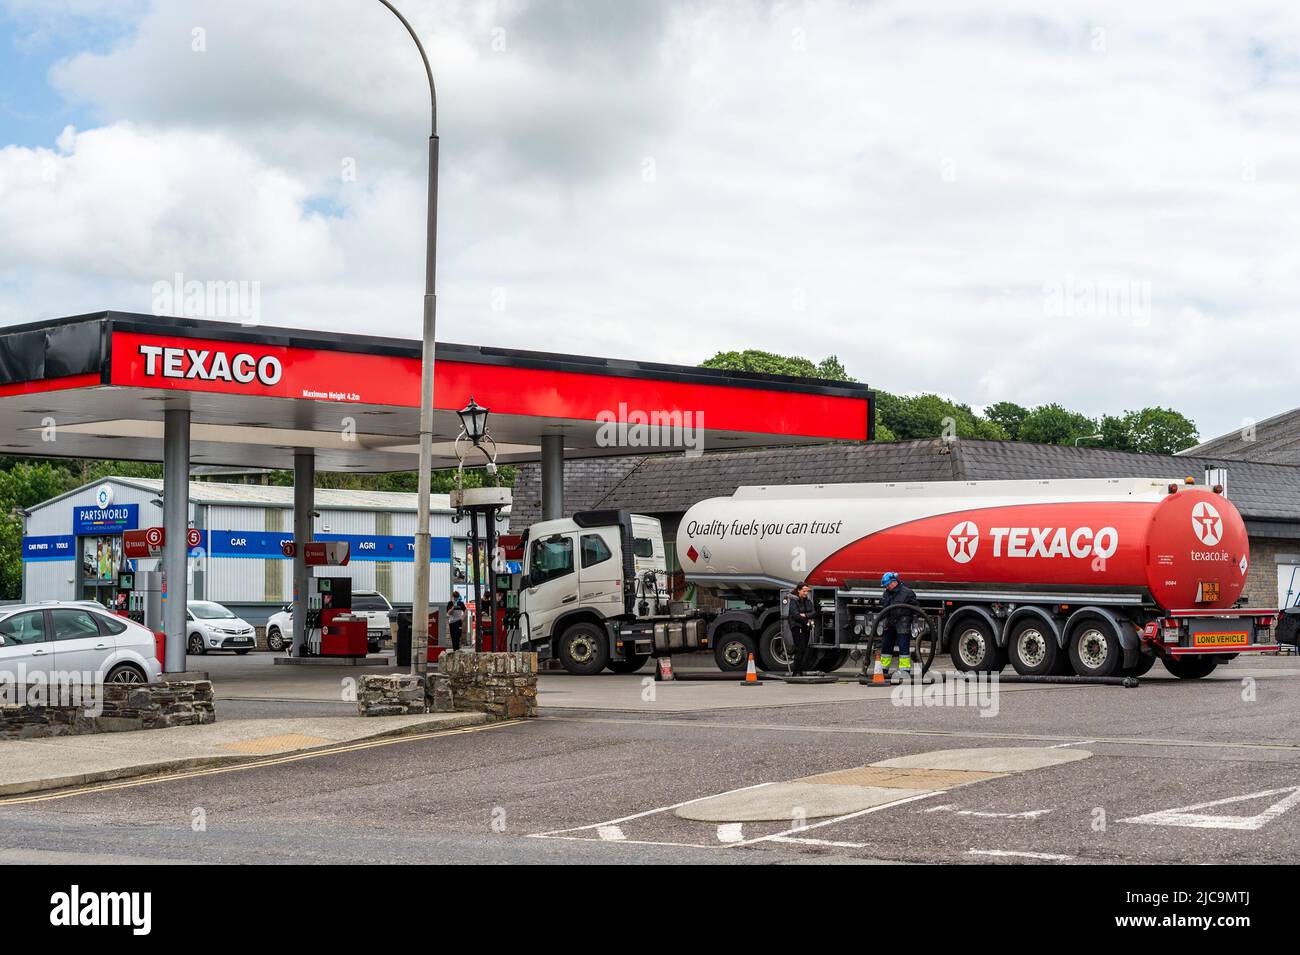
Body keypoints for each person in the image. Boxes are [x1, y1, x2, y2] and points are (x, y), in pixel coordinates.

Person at [878, 571, 917, 684]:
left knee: (903, 647)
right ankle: (884, 669)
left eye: (887, 584)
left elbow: (916, 608)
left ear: (894, 582)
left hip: (903, 622)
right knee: (886, 646)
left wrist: (913, 622)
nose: (887, 587)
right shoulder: (887, 593)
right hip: (890, 622)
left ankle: (904, 671)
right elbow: (884, 607)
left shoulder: (907, 593)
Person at [785, 581, 817, 676]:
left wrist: (805, 615)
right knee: (800, 649)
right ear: (798, 590)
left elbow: (814, 613)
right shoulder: (794, 601)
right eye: (804, 591)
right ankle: (796, 672)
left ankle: (800, 671)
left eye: (807, 591)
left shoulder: (807, 601)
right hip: (797, 627)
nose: (806, 593)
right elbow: (795, 616)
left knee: (804, 649)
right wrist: (806, 620)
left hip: (806, 627)